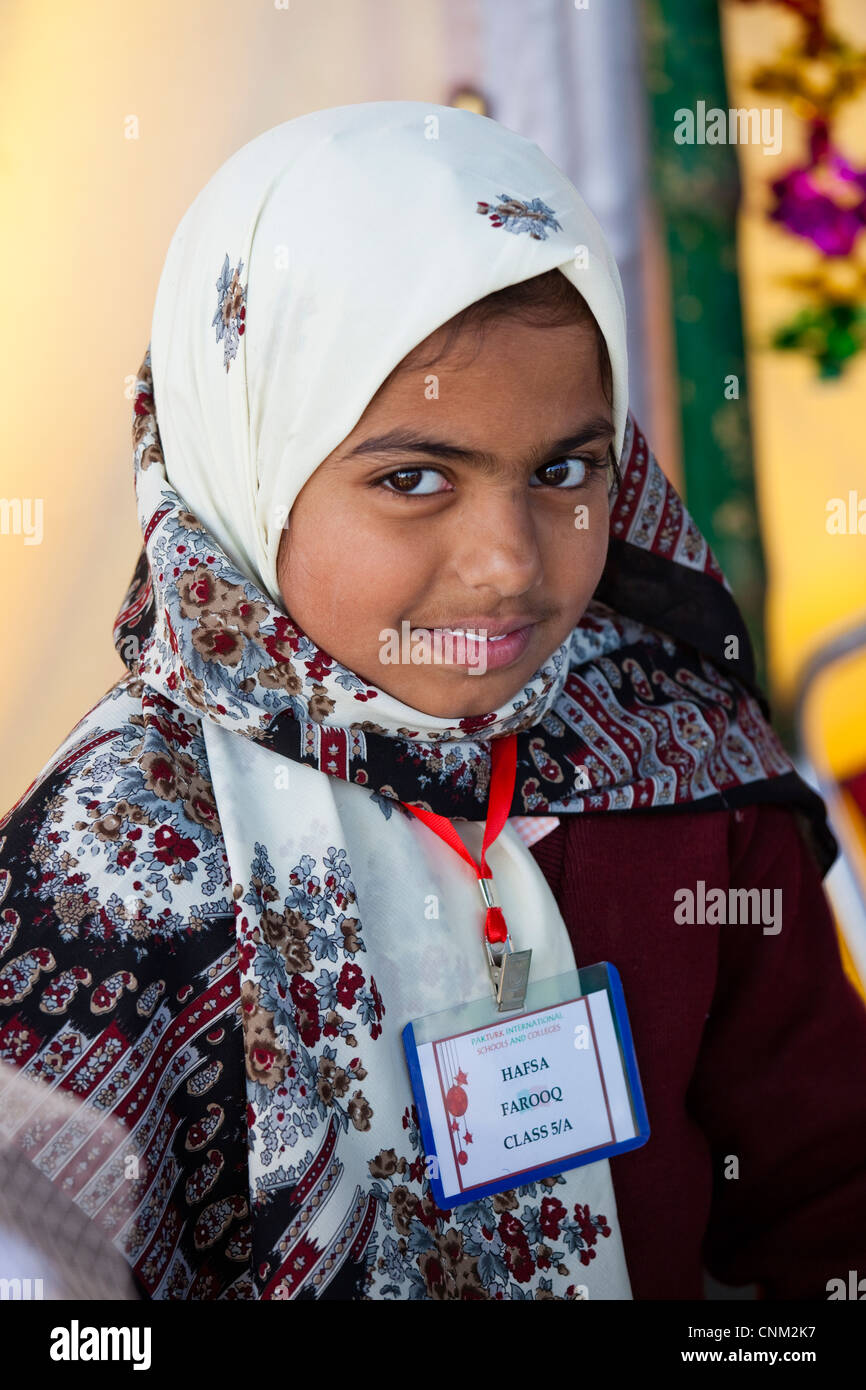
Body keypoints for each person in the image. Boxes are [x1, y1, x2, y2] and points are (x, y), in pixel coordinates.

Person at [1, 100, 864, 1302]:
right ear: (248, 468)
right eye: (413, 477)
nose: (508, 561)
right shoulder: (116, 857)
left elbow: (822, 1189)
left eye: (563, 469)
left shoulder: (680, 765)